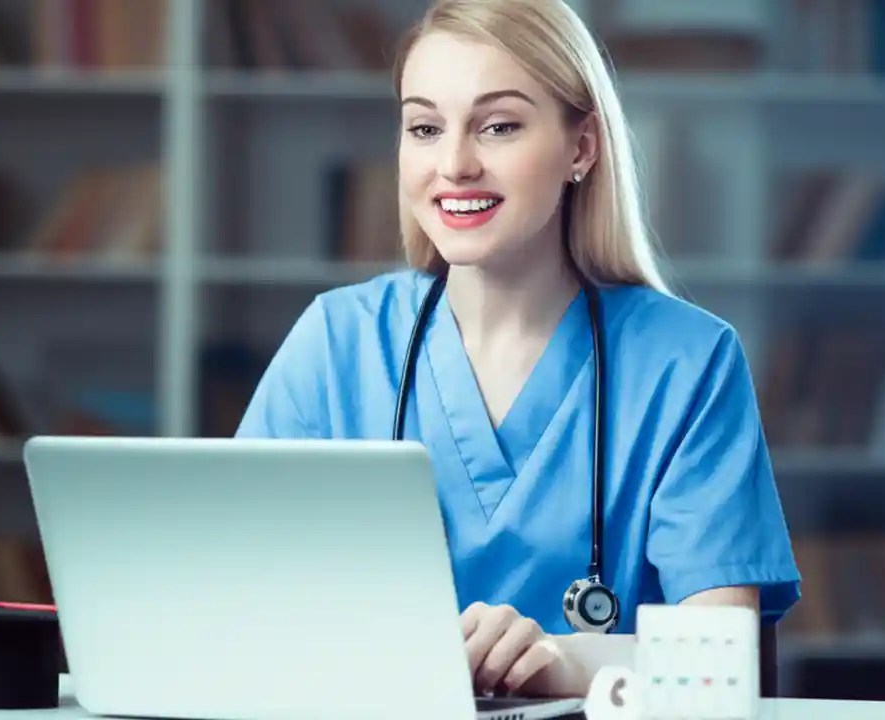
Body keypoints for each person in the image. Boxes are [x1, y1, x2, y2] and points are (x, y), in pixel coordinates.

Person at [235, 0, 800, 701]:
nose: (454, 164)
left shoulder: (688, 363)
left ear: (581, 149)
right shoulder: (335, 343)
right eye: (425, 128)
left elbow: (721, 659)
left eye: (498, 126)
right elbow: (236, 608)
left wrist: (555, 663)